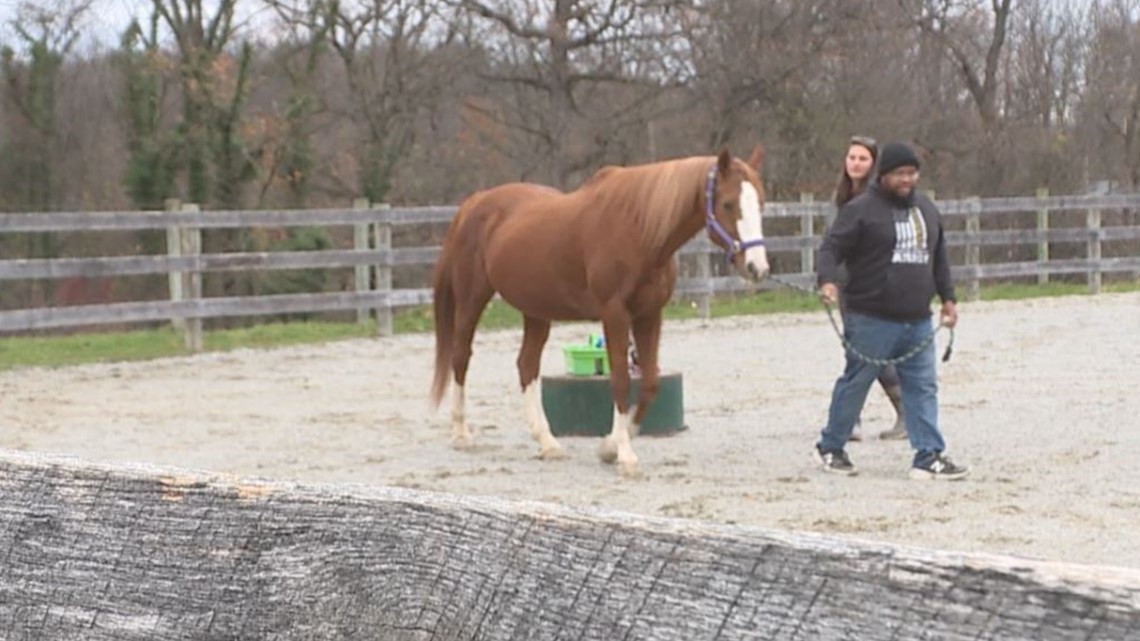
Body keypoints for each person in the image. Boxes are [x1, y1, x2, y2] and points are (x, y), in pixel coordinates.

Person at [813, 141, 968, 480]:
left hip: (917, 319)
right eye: (900, 173)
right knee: (857, 382)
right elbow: (832, 247)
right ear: (883, 175)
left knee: (922, 385)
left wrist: (949, 299)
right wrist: (827, 280)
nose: (906, 180)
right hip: (870, 316)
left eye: (911, 173)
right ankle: (831, 446)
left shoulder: (926, 210)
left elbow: (938, 258)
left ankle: (928, 454)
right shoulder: (861, 210)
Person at [830, 136, 907, 443]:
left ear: (873, 164)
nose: (855, 163)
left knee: (869, 349)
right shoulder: (842, 198)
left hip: (873, 283)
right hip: (848, 283)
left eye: (862, 159)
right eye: (852, 158)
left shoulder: (879, 199)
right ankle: (857, 417)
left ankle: (858, 418)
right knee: (857, 348)